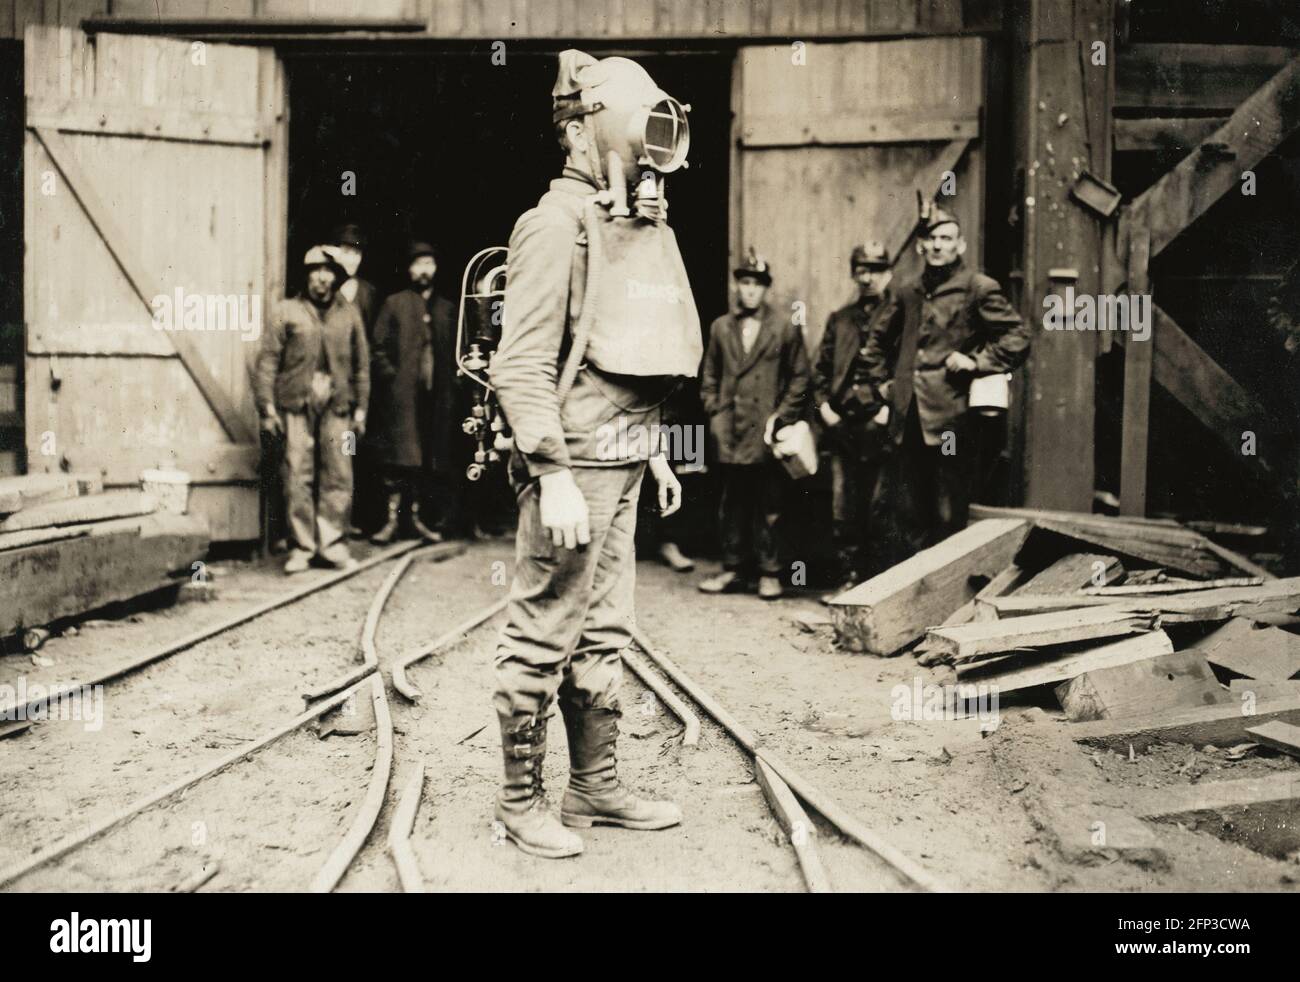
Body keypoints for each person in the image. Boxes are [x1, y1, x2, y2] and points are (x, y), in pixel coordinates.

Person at [487, 49, 700, 858]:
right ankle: (519, 802)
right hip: (573, 467)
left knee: (606, 631)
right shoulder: (553, 226)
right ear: (578, 133)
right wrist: (550, 473)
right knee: (544, 630)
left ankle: (595, 787)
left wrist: (654, 451)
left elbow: (628, 351)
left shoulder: (628, 226)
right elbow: (521, 364)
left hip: (623, 456)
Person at [859, 205, 1030, 565]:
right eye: (932, 238)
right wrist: (884, 388)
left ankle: (948, 588)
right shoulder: (908, 291)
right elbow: (875, 343)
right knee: (906, 510)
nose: (938, 245)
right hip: (908, 420)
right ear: (921, 245)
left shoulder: (977, 287)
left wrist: (977, 361)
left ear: (960, 245)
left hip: (953, 418)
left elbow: (1017, 337)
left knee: (948, 510)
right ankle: (912, 589)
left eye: (946, 238)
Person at [698, 250, 811, 600]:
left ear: (766, 289)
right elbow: (710, 374)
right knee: (732, 500)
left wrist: (782, 417)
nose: (749, 290)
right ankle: (733, 568)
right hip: (730, 428)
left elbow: (800, 377)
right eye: (744, 282)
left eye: (756, 284)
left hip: (765, 429)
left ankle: (769, 571)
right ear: (737, 285)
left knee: (769, 502)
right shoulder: (721, 327)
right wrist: (715, 412)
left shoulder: (783, 327)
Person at [255, 247, 369, 574]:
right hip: (295, 404)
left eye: (327, 271)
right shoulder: (286, 311)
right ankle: (302, 547)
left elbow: (362, 366)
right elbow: (268, 361)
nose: (321, 277)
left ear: (336, 277)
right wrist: (266, 407)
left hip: (339, 406)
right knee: (296, 474)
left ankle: (333, 546)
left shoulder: (349, 314)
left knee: (340, 474)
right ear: (306, 276)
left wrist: (361, 409)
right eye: (315, 270)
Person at [812, 241, 894, 601]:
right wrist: (823, 408)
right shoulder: (840, 319)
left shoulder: (898, 314)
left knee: (880, 507)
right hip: (843, 427)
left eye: (875, 270)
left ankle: (879, 586)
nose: (867, 277)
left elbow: (907, 367)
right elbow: (819, 371)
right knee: (844, 507)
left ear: (887, 274)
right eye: (862, 270)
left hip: (882, 425)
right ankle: (850, 579)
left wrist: (890, 407)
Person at [368, 241, 456, 544]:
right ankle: (391, 522)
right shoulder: (395, 304)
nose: (423, 271)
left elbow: (458, 353)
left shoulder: (447, 309)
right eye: (418, 265)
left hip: (436, 400)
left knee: (428, 461)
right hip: (402, 399)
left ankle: (419, 521)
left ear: (436, 269)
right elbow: (377, 348)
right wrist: (393, 380)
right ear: (409, 270)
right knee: (397, 461)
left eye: (429, 264)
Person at [326, 223, 381, 538]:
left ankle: (349, 519)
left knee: (353, 452)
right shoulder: (324, 288)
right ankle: (328, 523)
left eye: (356, 254)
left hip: (356, 385)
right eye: (346, 252)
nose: (351, 259)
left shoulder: (369, 293)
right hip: (328, 382)